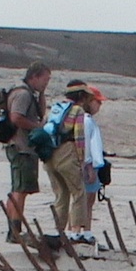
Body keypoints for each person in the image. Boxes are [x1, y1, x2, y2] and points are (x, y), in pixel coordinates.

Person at [4, 62, 52, 241]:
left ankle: (13, 229)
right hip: (21, 148)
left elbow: (40, 112)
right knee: (20, 190)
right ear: (34, 77)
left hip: (20, 147)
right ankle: (14, 230)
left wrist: (41, 95)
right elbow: (16, 117)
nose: (46, 83)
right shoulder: (23, 94)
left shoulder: (29, 94)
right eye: (45, 79)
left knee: (18, 188)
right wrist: (37, 127)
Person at [43, 80, 95, 243]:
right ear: (82, 96)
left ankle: (59, 231)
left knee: (61, 194)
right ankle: (76, 232)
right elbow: (79, 137)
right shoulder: (77, 110)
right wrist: (82, 160)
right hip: (67, 153)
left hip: (50, 154)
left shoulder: (56, 107)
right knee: (79, 193)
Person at [82, 85, 109, 239]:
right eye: (97, 102)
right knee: (86, 199)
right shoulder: (86, 121)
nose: (100, 105)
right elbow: (86, 145)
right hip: (89, 166)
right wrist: (89, 167)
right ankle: (82, 231)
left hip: (93, 164)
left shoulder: (89, 120)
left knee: (89, 199)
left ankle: (85, 230)